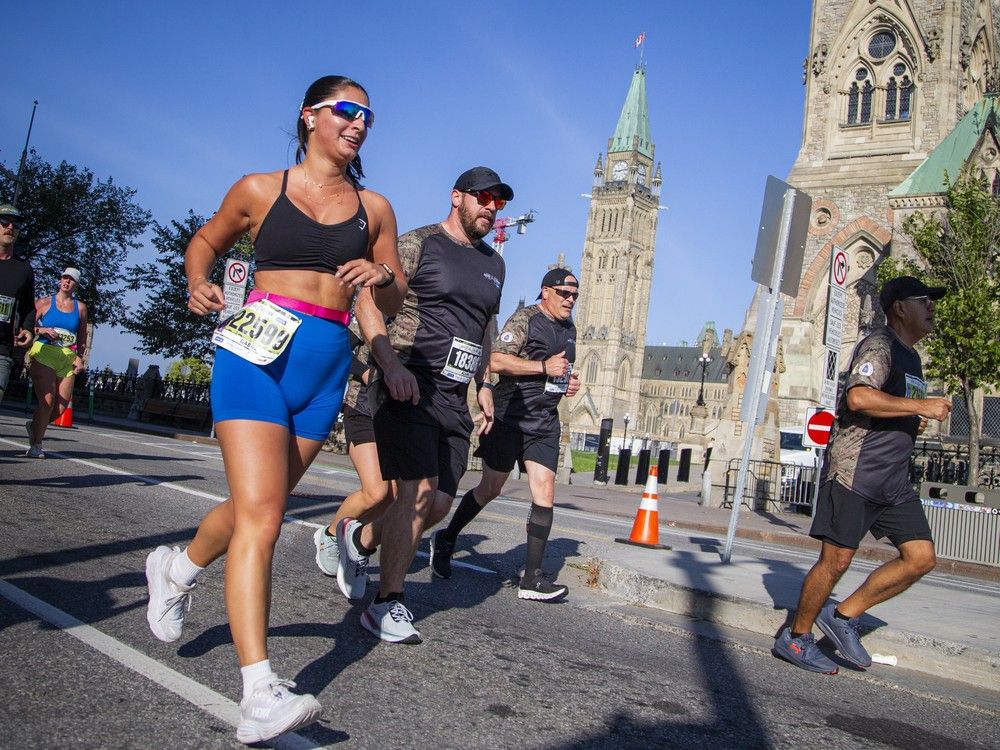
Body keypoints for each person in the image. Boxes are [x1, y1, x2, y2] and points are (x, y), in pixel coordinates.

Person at [142, 75, 405, 744]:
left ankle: (177, 567)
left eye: (368, 116)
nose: (359, 123)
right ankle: (258, 690)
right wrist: (197, 279)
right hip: (255, 358)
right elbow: (205, 242)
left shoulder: (374, 208)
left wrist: (382, 278)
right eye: (347, 110)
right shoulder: (260, 189)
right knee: (263, 517)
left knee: (252, 508)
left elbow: (394, 290)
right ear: (310, 116)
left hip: (324, 369)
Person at [330, 167, 512, 644]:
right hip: (411, 382)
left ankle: (358, 539)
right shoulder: (418, 244)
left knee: (438, 505)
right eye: (482, 197)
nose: (491, 208)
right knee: (417, 490)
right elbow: (366, 302)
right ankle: (387, 602)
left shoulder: (495, 264)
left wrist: (484, 383)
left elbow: (484, 328)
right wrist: (389, 365)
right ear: (457, 197)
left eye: (498, 202)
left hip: (454, 397)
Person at [773, 276, 952, 674]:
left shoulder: (911, 357)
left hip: (893, 480)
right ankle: (796, 637)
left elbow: (889, 405)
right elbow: (858, 396)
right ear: (900, 308)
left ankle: (843, 615)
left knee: (921, 558)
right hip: (856, 472)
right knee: (835, 561)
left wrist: (912, 417)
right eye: (924, 300)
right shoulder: (879, 345)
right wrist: (920, 407)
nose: (931, 307)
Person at [430, 268, 581, 602]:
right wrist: (543, 367)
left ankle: (531, 578)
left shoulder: (570, 329)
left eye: (574, 296)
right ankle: (447, 537)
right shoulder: (526, 319)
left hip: (544, 422)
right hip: (510, 416)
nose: (570, 300)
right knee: (490, 488)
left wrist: (567, 382)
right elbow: (496, 360)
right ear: (546, 292)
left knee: (545, 490)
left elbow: (558, 371)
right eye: (564, 293)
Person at [312, 324, 393, 599]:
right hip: (363, 407)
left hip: (397, 415)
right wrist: (366, 372)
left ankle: (355, 545)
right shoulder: (376, 307)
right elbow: (340, 347)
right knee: (377, 490)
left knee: (393, 497)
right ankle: (331, 535)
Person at [25, 267, 88, 458]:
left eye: (71, 279)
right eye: (64, 278)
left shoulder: (80, 308)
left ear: (76, 285)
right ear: (60, 280)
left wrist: (80, 358)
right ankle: (36, 445)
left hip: (67, 357)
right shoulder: (44, 303)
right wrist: (42, 330)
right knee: (47, 402)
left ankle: (35, 425)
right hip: (44, 353)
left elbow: (82, 337)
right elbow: (26, 326)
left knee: (60, 408)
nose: (67, 281)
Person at [0, 204, 35, 402]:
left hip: (2, 347)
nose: (10, 227)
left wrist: (27, 329)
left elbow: (28, 306)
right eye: (4, 222)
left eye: (16, 224)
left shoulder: (24, 269)